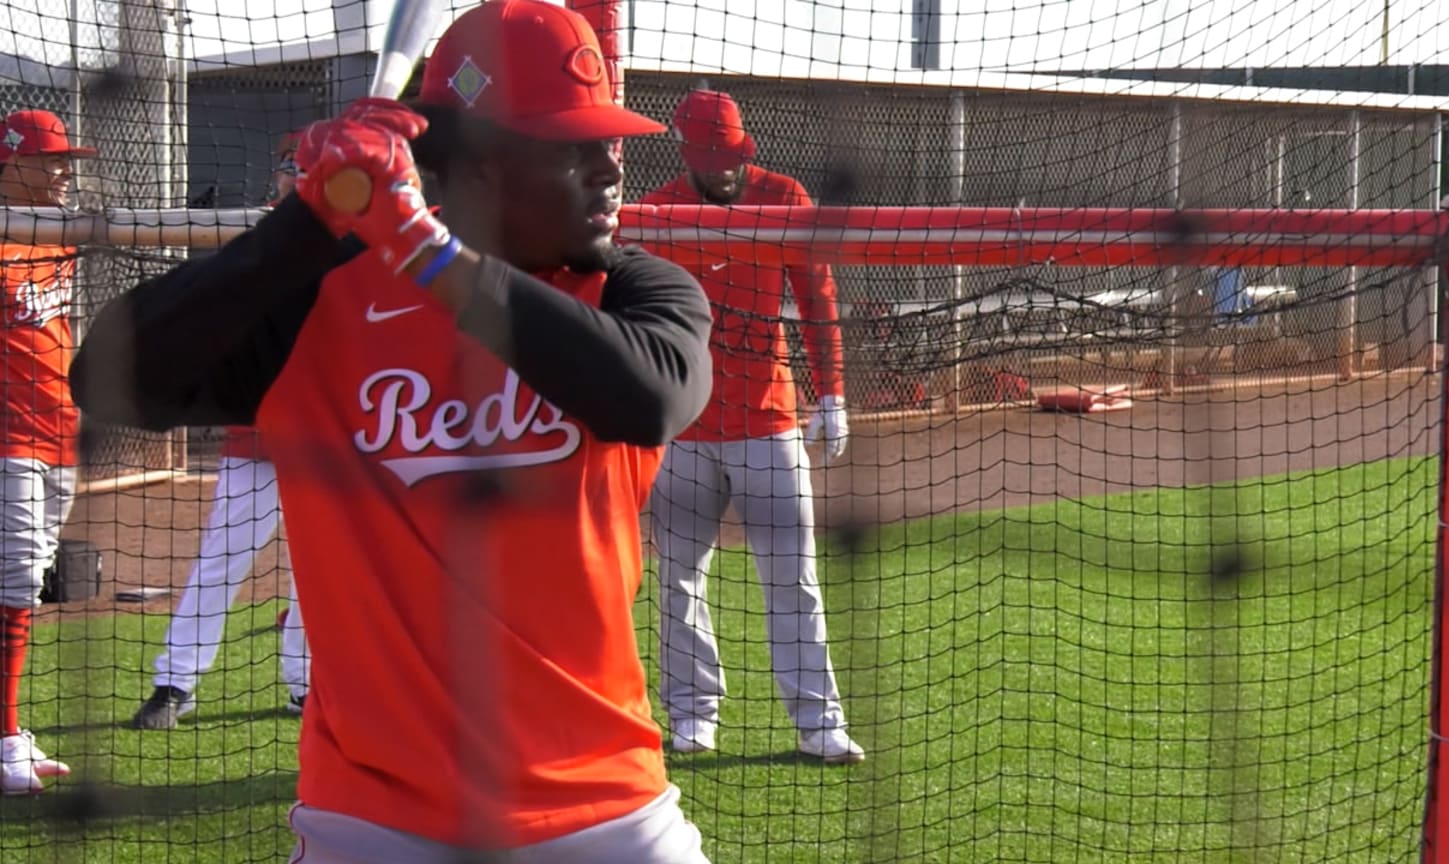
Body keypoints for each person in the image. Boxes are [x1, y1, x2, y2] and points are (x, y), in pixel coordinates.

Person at [69, 1, 715, 860]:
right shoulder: (325, 298)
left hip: (603, 807)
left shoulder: (638, 291)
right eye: (570, 147)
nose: (610, 168)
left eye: (610, 142)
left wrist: (425, 248)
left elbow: (651, 395)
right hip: (371, 822)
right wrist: (306, 220)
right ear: (474, 165)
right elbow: (111, 379)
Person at [639, 89, 862, 764]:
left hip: (769, 418)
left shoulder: (784, 195)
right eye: (712, 159)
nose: (725, 170)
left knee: (792, 575)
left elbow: (816, 295)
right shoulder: (657, 209)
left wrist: (833, 394)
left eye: (731, 157)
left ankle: (819, 722)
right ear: (690, 154)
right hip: (684, 423)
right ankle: (693, 713)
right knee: (676, 577)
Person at [130, 139, 312, 730]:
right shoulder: (254, 245)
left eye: (306, 173)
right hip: (255, 441)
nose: (294, 181)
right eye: (289, 172)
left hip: (327, 443)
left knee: (320, 571)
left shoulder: (354, 248)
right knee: (221, 562)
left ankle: (307, 687)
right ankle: (174, 684)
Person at [0, 109, 95, 795]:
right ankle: (4, 738)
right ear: (11, 162)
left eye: (68, 159)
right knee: (14, 585)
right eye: (52, 159)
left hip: (60, 435)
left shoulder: (61, 235)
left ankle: (7, 731)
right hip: (9, 440)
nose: (66, 171)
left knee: (21, 586)